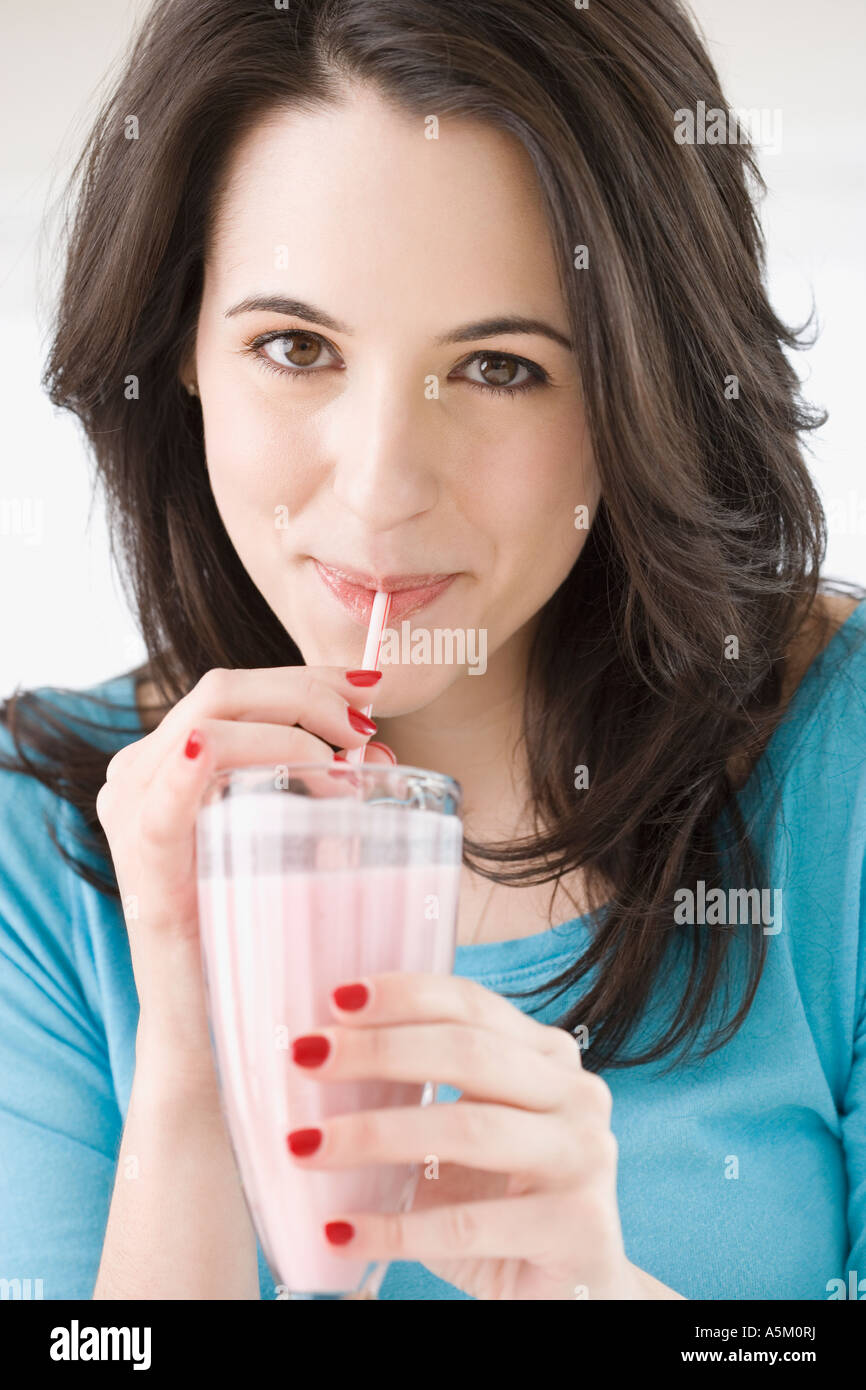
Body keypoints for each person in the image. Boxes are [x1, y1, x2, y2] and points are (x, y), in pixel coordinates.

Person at [1, 0, 864, 1301]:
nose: (379, 489)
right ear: (180, 344)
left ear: (640, 384)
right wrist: (189, 1066)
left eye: (499, 367)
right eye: (294, 347)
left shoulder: (838, 783)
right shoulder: (42, 840)